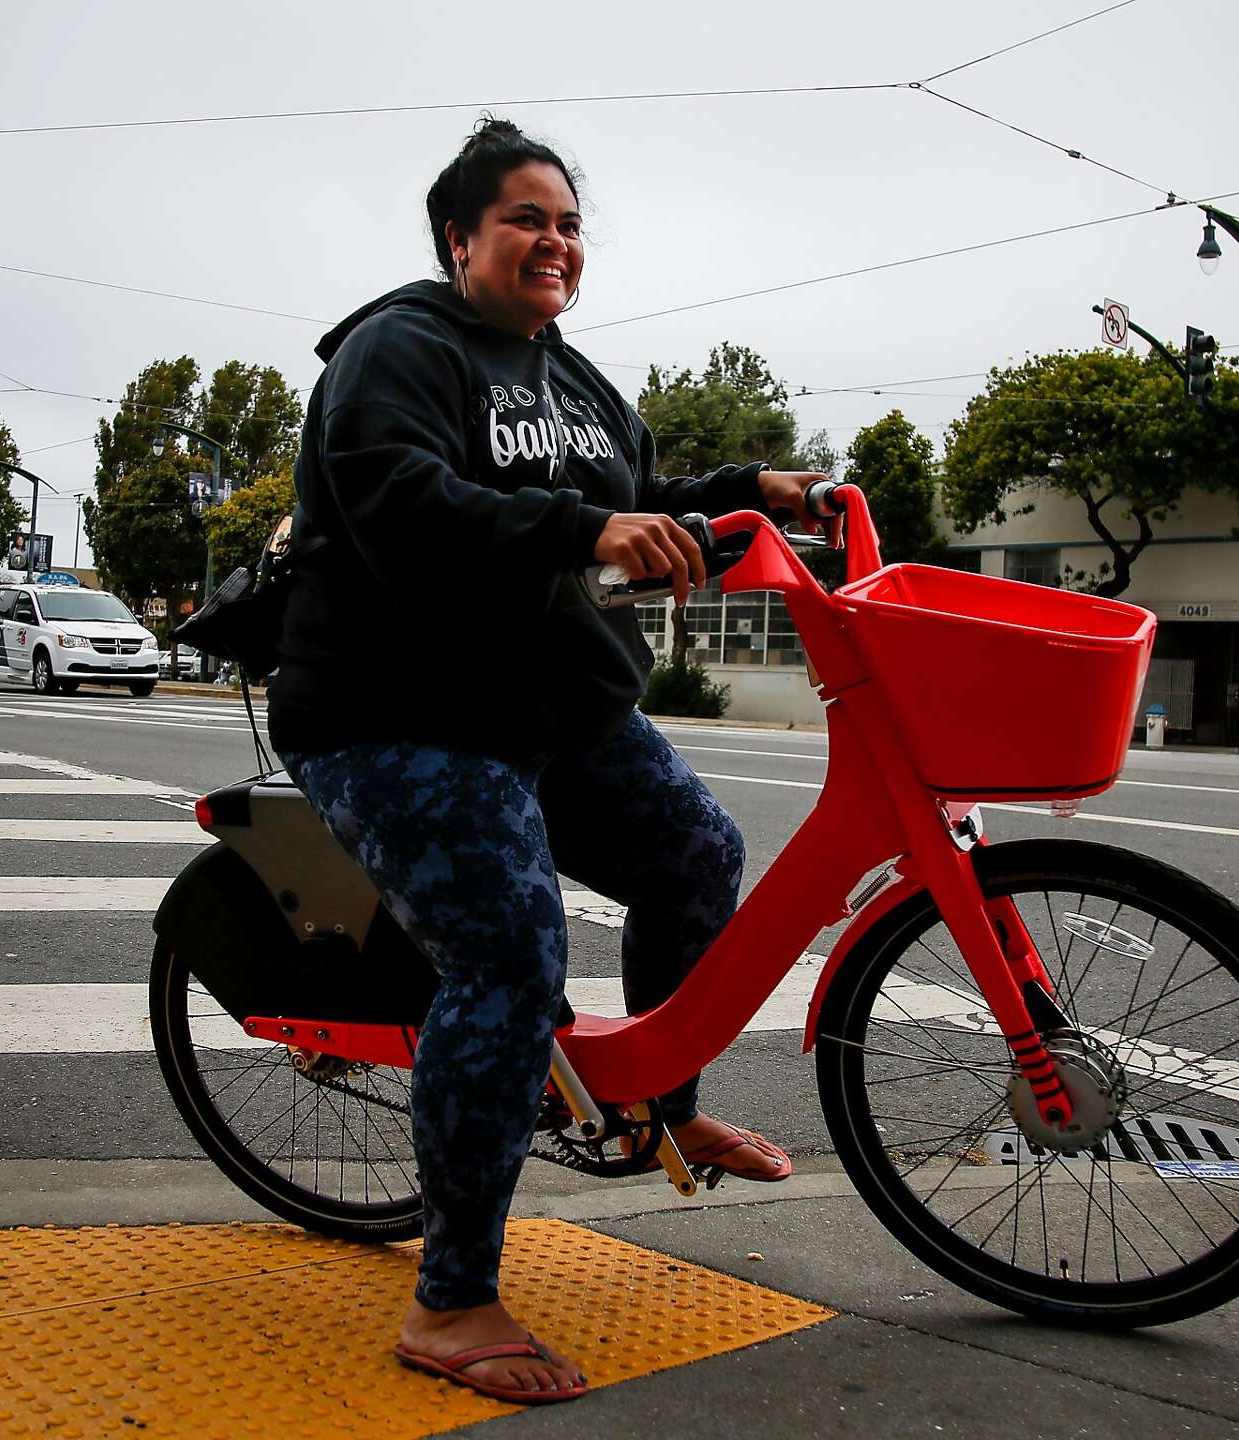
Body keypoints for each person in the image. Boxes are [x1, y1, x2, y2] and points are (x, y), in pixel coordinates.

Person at [267, 117, 824, 1407]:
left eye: (570, 224)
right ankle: (450, 1299)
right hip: (396, 709)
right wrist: (593, 524)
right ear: (460, 238)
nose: (554, 242)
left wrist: (752, 487)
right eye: (526, 219)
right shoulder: (394, 350)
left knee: (700, 854)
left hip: (542, 701)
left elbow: (634, 494)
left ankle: (661, 1110)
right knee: (513, 960)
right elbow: (402, 497)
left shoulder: (573, 381)